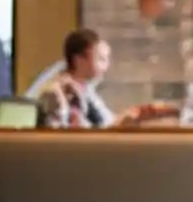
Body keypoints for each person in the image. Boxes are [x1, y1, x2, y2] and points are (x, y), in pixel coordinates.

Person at [38, 29, 179, 129]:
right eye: (101, 59)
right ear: (79, 59)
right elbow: (56, 135)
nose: (106, 66)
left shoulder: (88, 92)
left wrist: (131, 117)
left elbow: (106, 124)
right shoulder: (56, 93)